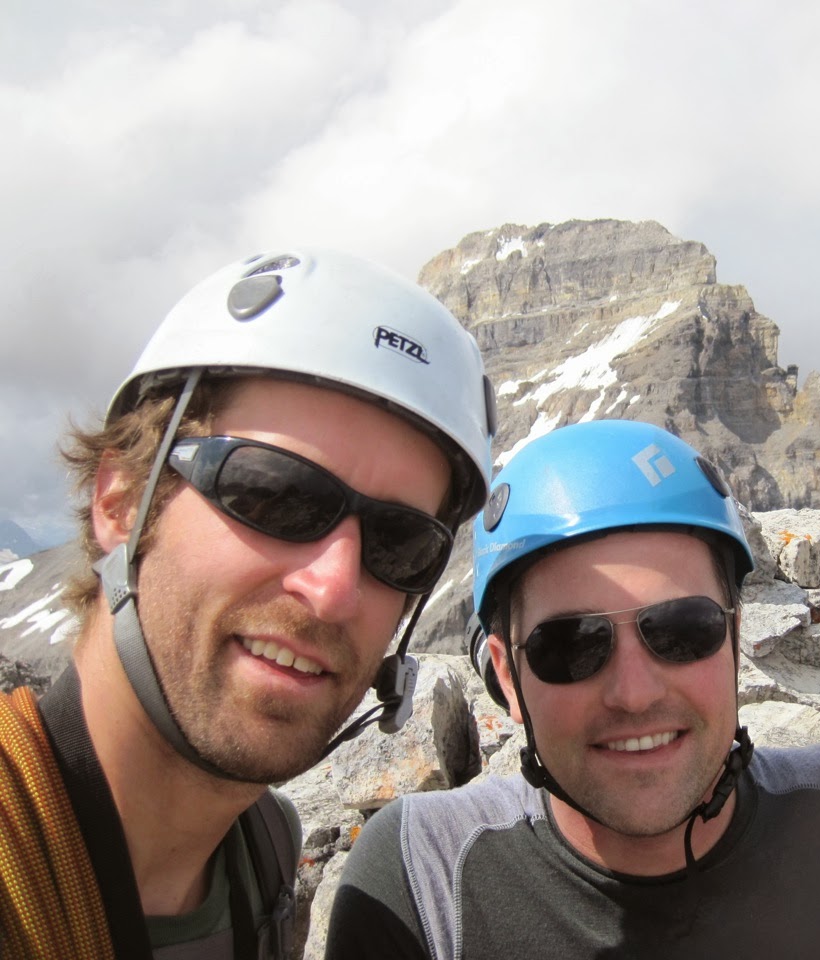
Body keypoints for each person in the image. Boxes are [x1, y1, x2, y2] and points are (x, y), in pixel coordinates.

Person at [326, 419, 820, 959]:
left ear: (736, 641)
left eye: (682, 630)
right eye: (569, 646)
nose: (635, 691)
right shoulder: (424, 884)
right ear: (506, 678)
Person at [0, 248, 496, 959]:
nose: (332, 588)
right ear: (120, 502)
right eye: (274, 495)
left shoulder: (262, 855)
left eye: (400, 543)